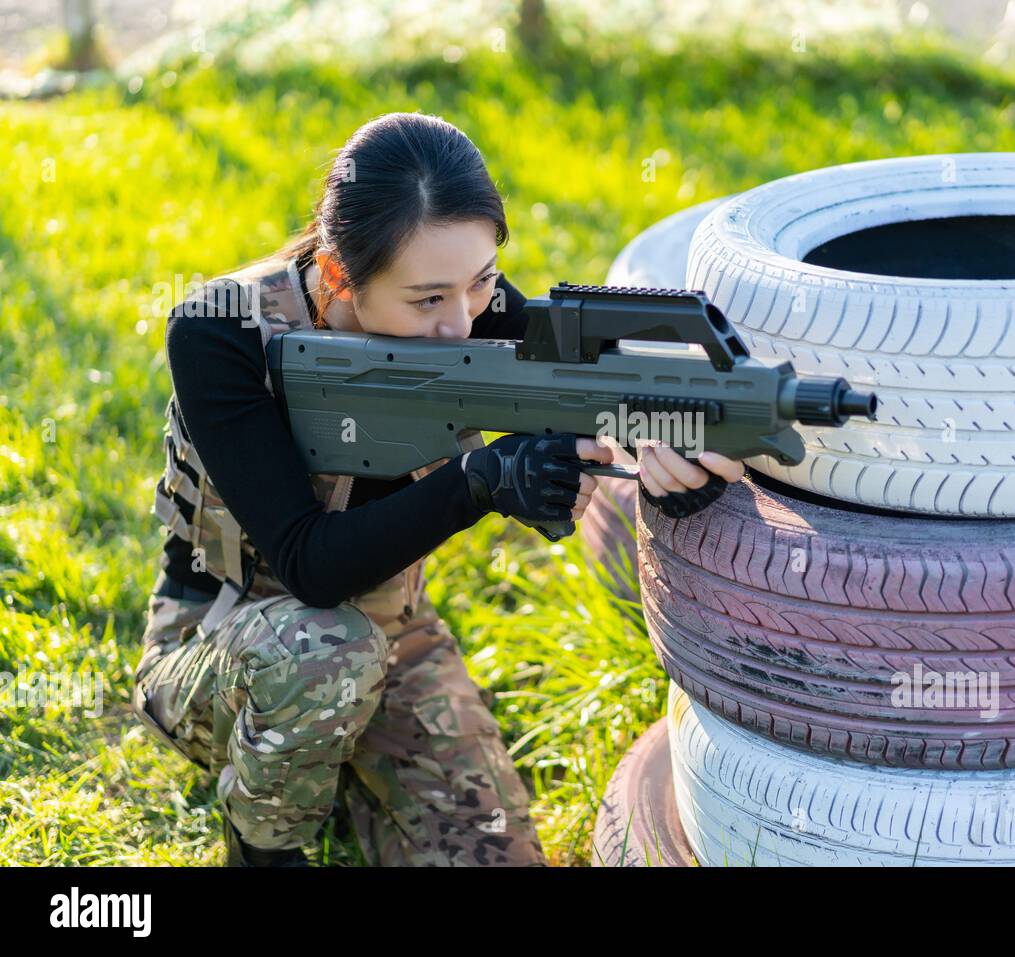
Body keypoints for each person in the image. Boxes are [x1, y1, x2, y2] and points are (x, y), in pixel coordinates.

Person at [130, 111, 745, 867]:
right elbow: (308, 564)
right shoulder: (222, 333)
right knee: (325, 650)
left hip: (394, 636)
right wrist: (482, 481)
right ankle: (264, 843)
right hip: (219, 650)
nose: (462, 324)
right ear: (337, 275)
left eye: (482, 280)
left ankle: (347, 763)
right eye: (427, 300)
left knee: (493, 855)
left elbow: (607, 402)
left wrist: (675, 478)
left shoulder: (468, 302)